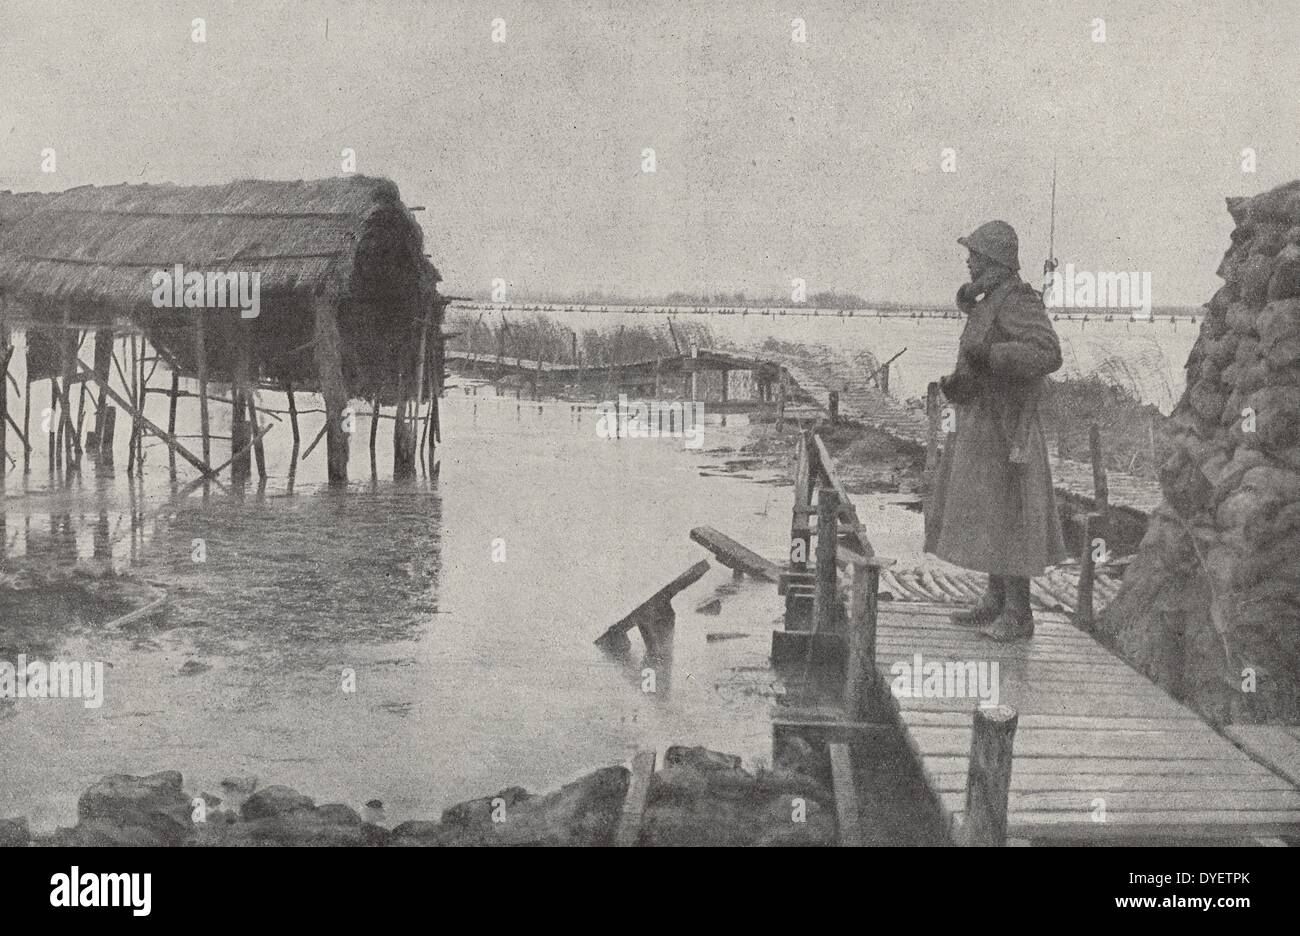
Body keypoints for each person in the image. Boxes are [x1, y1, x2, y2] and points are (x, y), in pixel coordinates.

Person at [925, 220, 1067, 641]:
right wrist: (959, 381)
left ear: (993, 261)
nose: (967, 261)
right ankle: (995, 599)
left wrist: (992, 356)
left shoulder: (1018, 300)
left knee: (1010, 514)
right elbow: (976, 357)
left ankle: (1019, 614)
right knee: (991, 511)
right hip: (983, 420)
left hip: (1009, 426)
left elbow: (1048, 353)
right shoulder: (991, 299)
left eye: (973, 255)